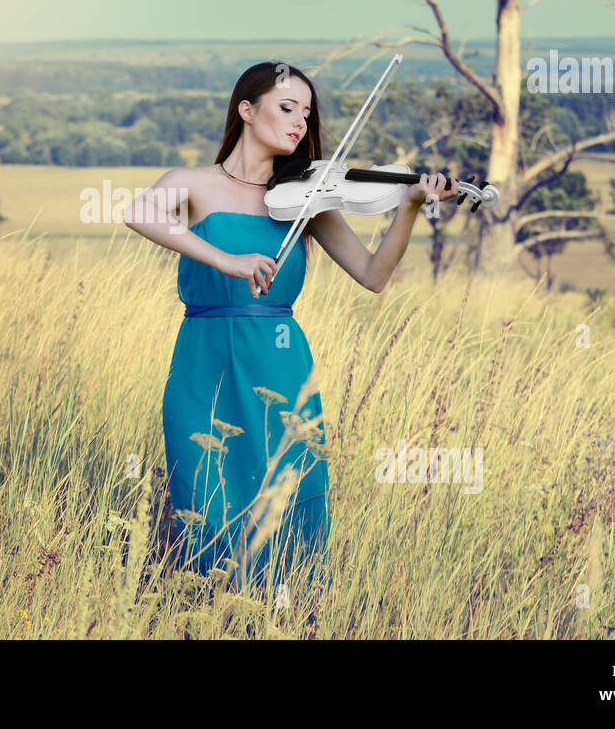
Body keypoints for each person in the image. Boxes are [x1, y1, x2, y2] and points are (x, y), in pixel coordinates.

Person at [123, 60, 458, 606]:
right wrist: (226, 260)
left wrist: (410, 208)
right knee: (204, 496)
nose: (300, 121)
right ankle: (206, 615)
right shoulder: (192, 185)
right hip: (202, 366)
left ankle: (286, 616)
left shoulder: (308, 200)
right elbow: (140, 214)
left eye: (307, 112)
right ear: (246, 109)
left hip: (280, 365)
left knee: (285, 497)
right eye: (286, 107)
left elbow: (374, 276)